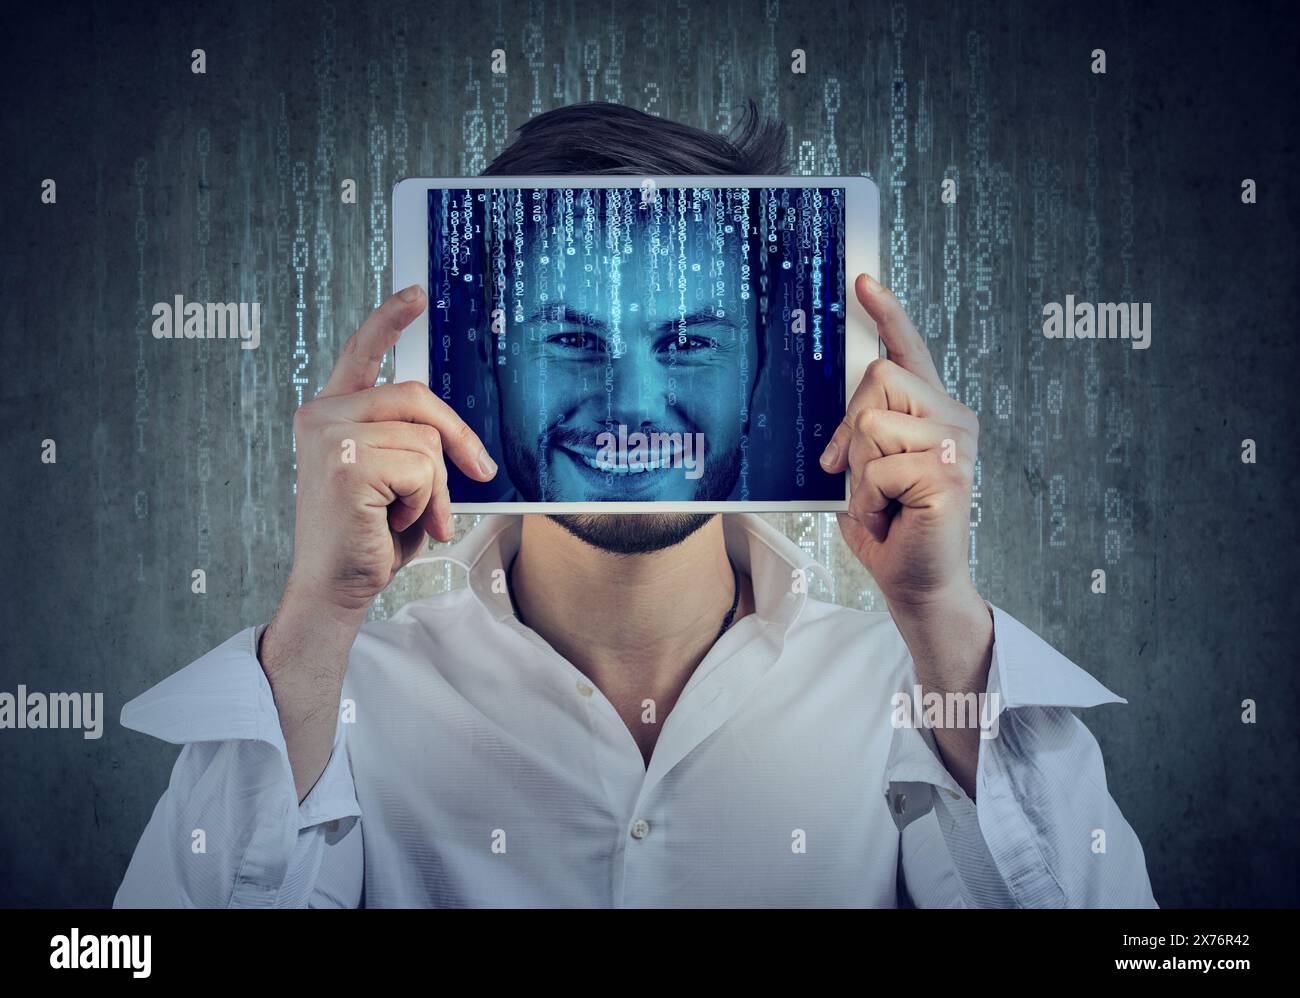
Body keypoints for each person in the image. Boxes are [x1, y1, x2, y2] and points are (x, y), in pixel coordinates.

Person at [115, 101, 1156, 907]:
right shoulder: (337, 705)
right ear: (490, 360)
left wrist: (945, 621)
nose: (632, 401)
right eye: (568, 337)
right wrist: (313, 617)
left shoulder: (916, 694)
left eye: (693, 340)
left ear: (759, 369)